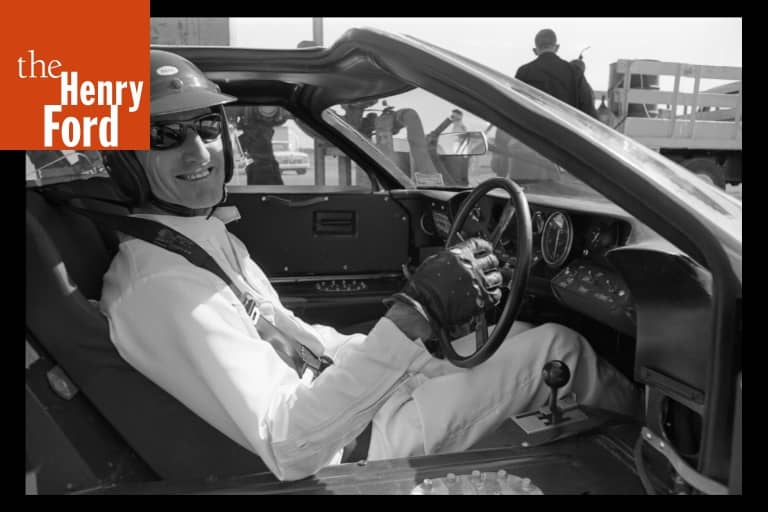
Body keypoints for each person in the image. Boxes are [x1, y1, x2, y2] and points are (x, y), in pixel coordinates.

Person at [99, 49, 640, 482]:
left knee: (510, 333)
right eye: (162, 135)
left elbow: (298, 339)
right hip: (358, 446)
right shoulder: (162, 287)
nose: (198, 153)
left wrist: (414, 347)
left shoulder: (194, 240)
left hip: (354, 404)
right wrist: (413, 314)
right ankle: (657, 457)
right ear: (124, 159)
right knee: (558, 347)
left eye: (205, 127)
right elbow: (291, 444)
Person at [515, 29, 598, 119]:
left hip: (531, 130)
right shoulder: (574, 72)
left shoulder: (523, 72)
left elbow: (514, 108)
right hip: (565, 131)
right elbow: (589, 113)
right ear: (557, 47)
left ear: (535, 50)